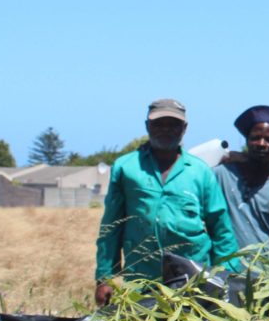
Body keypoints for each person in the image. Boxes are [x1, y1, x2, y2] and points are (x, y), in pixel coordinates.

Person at [95, 98, 239, 305]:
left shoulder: (200, 172)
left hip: (193, 279)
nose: (166, 130)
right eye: (159, 124)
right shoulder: (126, 168)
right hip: (142, 279)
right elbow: (111, 227)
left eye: (173, 124)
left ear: (184, 128)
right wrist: (104, 277)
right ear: (147, 126)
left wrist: (229, 277)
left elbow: (221, 229)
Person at [214, 106, 269, 267]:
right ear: (246, 139)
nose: (262, 144)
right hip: (222, 273)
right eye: (255, 137)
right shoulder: (221, 175)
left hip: (263, 279)